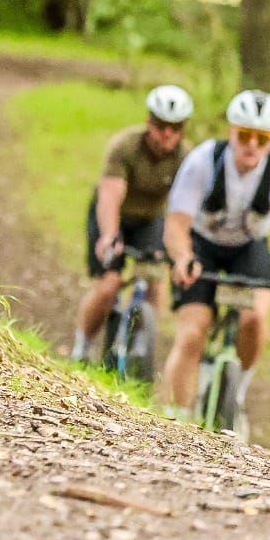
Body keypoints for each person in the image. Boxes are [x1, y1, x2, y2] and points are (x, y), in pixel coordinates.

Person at [159, 90, 270, 420]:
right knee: (192, 333)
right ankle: (173, 419)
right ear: (231, 131)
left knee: (255, 320)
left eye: (262, 138)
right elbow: (176, 223)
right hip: (201, 245)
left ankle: (237, 392)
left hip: (249, 248)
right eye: (244, 135)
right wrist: (183, 257)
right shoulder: (202, 161)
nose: (252, 145)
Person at [69, 84, 196, 364]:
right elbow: (110, 195)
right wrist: (109, 235)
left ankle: (142, 344)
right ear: (149, 121)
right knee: (109, 285)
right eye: (161, 125)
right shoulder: (125, 146)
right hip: (113, 215)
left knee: (153, 280)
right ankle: (83, 346)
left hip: (149, 220)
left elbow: (188, 206)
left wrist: (183, 251)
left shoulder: (187, 158)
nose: (167, 134)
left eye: (175, 127)